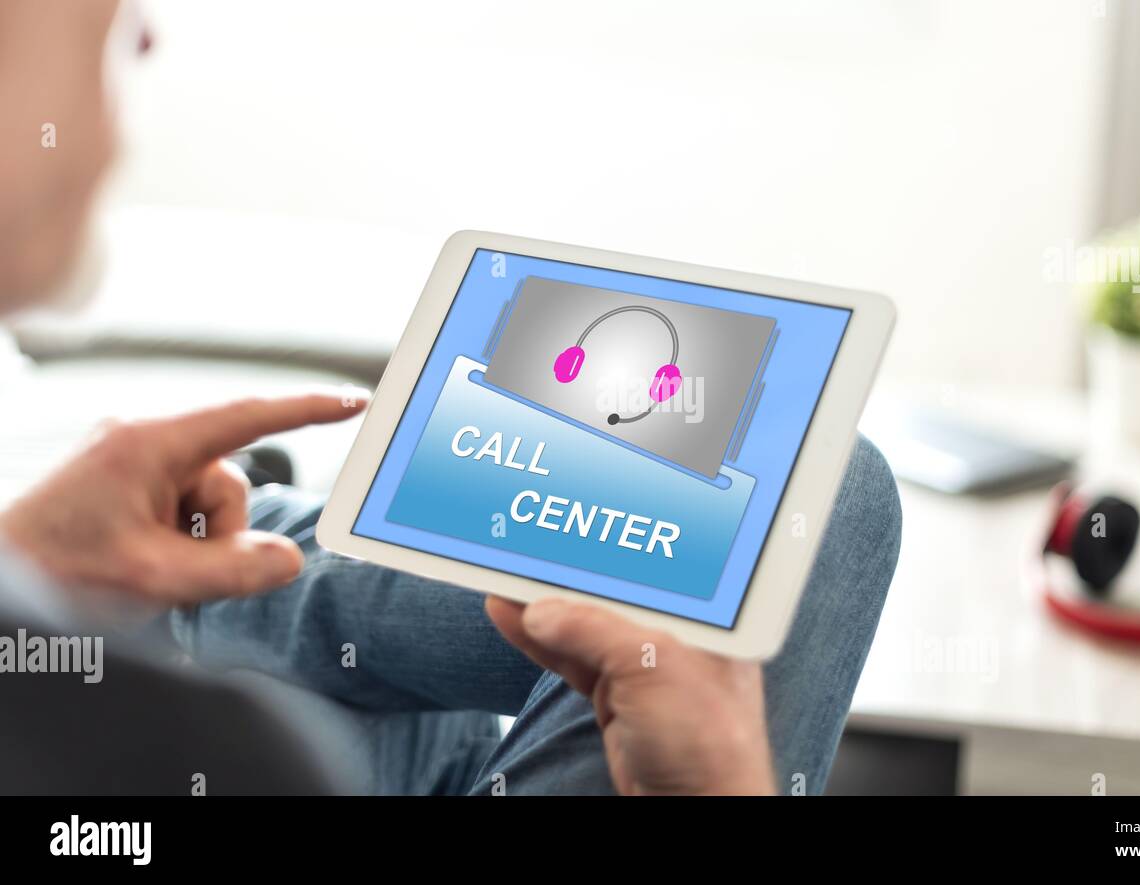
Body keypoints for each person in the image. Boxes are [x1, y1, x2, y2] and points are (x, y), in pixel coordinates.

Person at [0, 0, 901, 795]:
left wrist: (29, 556)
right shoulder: (221, 749)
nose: (142, 29)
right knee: (807, 508)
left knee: (802, 488)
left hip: (114, 603)